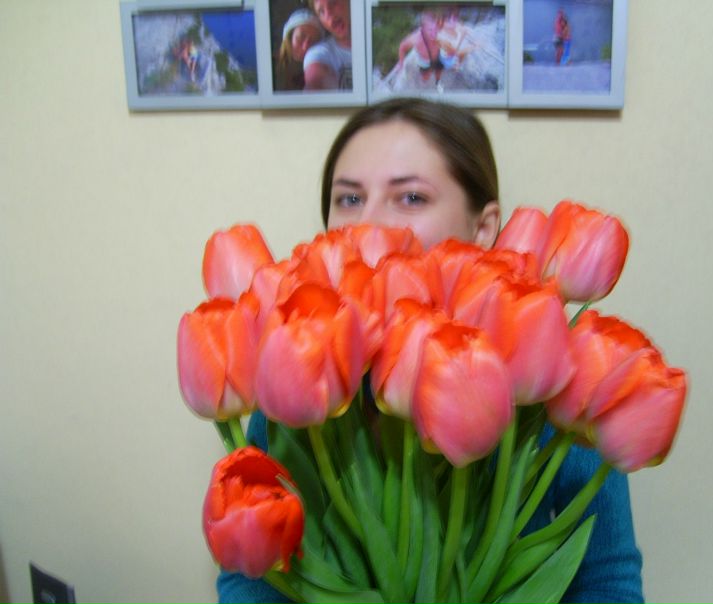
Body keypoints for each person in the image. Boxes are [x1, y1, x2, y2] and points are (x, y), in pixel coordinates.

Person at [217, 98, 645, 604]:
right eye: (349, 198)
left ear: (483, 228)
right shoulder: (296, 361)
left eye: (411, 197)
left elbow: (608, 584)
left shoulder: (555, 380)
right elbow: (246, 577)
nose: (368, 225)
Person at [303, 0, 352, 90]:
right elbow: (315, 79)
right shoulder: (320, 53)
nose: (328, 14)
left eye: (333, 3)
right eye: (321, 11)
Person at [275, 9, 324, 91]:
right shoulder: (271, 69)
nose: (305, 47)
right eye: (300, 38)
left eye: (313, 41)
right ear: (289, 38)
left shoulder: (322, 72)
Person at [396, 10, 448, 87]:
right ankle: (425, 78)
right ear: (423, 29)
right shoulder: (416, 39)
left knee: (439, 69)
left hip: (437, 56)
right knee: (425, 77)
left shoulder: (440, 31)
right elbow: (402, 47)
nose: (434, 32)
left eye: (435, 28)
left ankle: (436, 76)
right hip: (424, 61)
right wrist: (401, 62)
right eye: (430, 30)